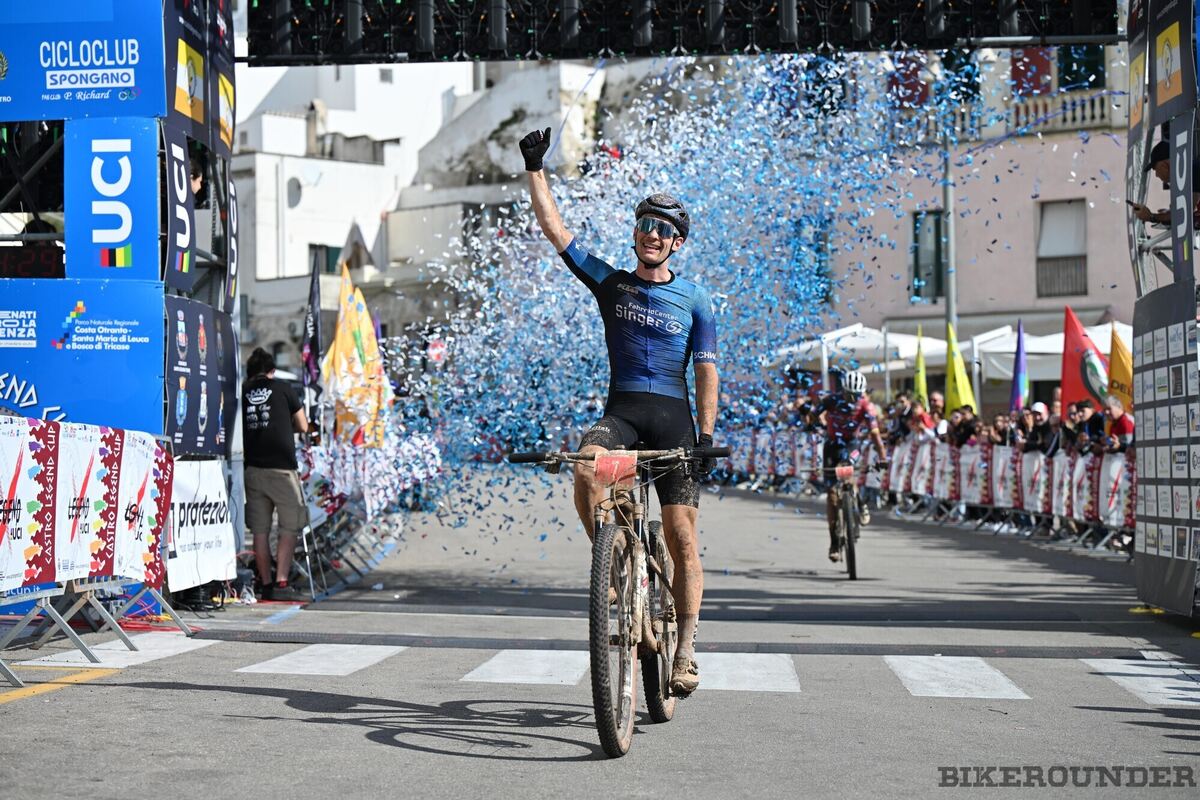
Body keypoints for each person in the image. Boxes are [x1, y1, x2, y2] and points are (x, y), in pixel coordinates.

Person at [521, 127, 719, 696]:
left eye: (664, 229)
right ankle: (609, 562)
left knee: (682, 537)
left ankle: (686, 650)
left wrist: (705, 436)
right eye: (646, 224)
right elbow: (556, 232)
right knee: (587, 467)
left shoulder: (696, 299)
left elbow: (707, 371)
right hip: (624, 415)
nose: (653, 234)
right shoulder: (610, 283)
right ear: (635, 233)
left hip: (675, 421)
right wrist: (535, 167)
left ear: (677, 243)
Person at [241, 347, 309, 601]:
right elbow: (302, 425)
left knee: (260, 530)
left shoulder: (243, 391)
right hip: (282, 469)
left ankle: (266, 583)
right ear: (272, 371)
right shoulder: (283, 388)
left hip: (253, 469)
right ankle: (281, 581)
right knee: (289, 526)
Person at [818, 370, 886, 561]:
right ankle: (834, 542)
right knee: (832, 497)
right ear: (843, 390)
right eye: (850, 395)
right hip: (831, 445)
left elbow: (875, 435)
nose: (853, 399)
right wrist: (818, 422)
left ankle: (860, 502)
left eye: (857, 395)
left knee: (847, 472)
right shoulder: (831, 400)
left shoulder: (866, 406)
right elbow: (814, 415)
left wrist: (882, 457)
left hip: (851, 445)